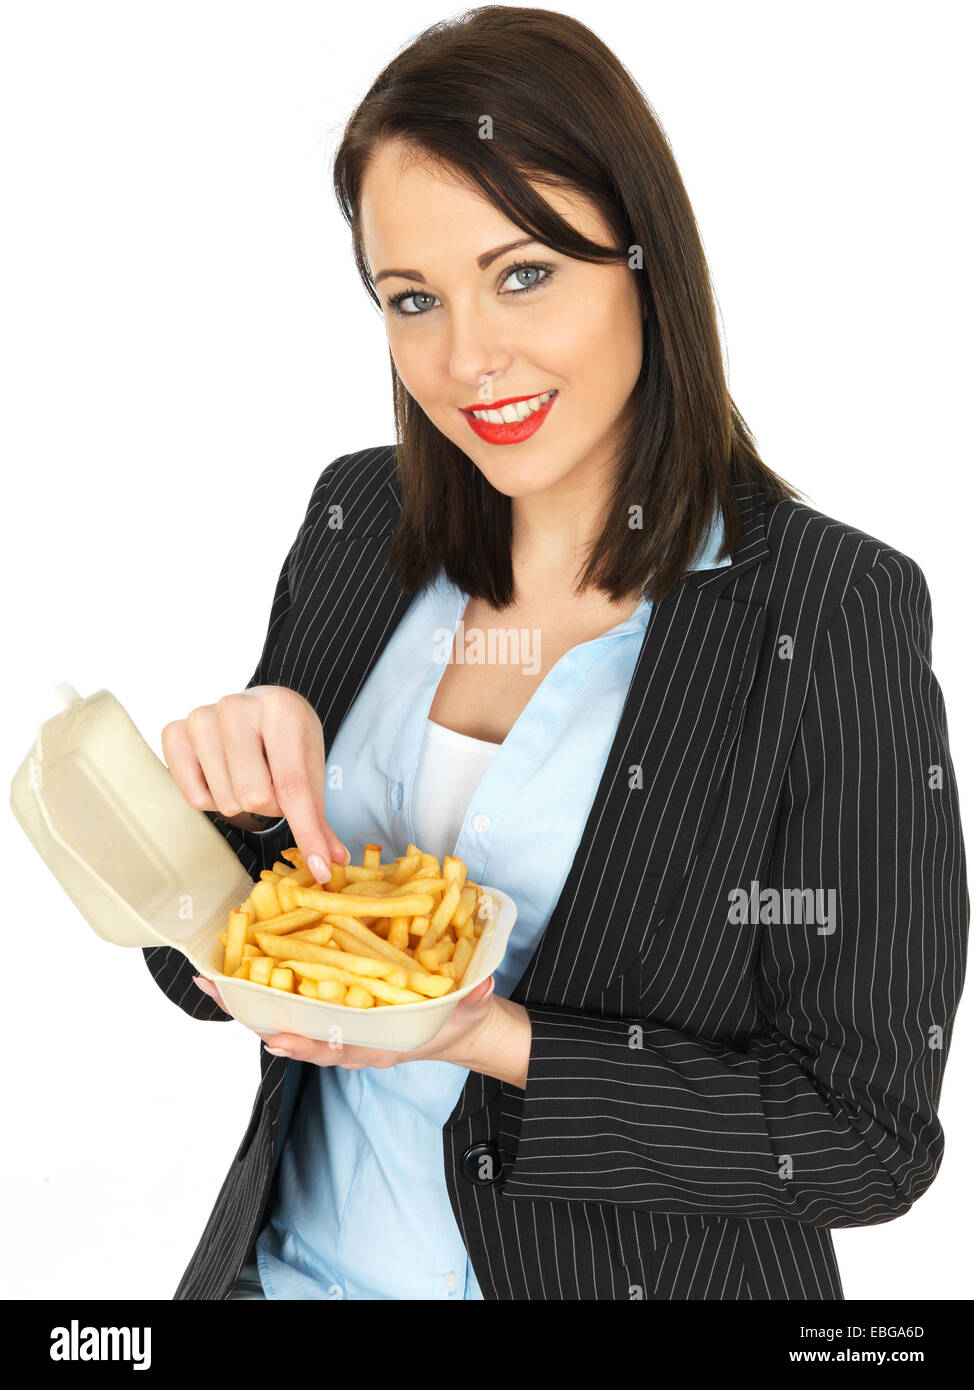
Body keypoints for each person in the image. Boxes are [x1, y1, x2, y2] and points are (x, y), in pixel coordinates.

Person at [146, 6, 968, 1300]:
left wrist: (496, 1036)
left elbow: (860, 1137)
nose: (468, 359)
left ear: (645, 261)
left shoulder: (828, 612)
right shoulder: (360, 523)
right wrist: (214, 812)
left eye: (522, 273)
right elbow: (214, 969)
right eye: (411, 298)